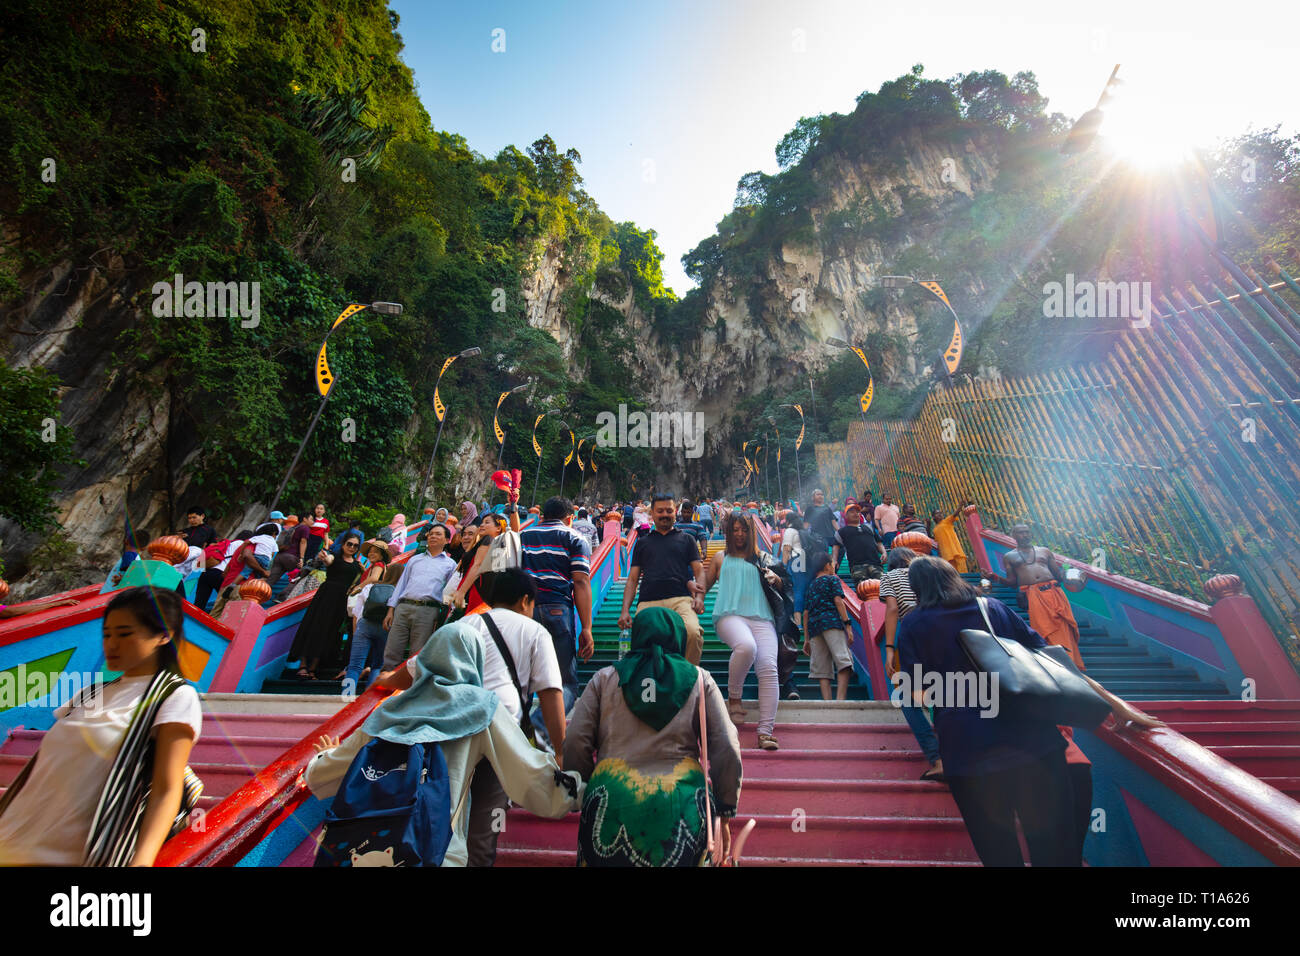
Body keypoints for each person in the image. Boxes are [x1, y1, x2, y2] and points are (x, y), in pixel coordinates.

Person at [901, 556, 1163, 866]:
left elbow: (917, 693)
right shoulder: (992, 608)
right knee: (1053, 849)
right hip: (1031, 744)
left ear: (916, 588)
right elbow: (1051, 660)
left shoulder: (913, 625)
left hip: (967, 752)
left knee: (998, 851)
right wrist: (1115, 703)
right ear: (952, 577)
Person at [308, 622, 584, 867]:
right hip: (438, 851)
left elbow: (324, 773)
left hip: (370, 845)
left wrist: (324, 756)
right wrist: (581, 791)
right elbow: (530, 775)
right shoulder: (480, 708)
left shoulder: (391, 708)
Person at [0, 587, 201, 866]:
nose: (112, 644)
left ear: (163, 635)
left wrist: (141, 862)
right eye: (107, 634)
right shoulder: (89, 694)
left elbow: (167, 789)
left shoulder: (174, 696)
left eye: (125, 634)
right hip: (12, 840)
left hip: (76, 855)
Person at [564, 606, 742, 866]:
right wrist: (725, 811)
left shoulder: (603, 679)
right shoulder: (701, 680)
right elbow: (727, 746)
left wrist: (584, 789)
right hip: (682, 805)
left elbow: (575, 741)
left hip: (610, 802)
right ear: (679, 637)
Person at [460, 568, 567, 865]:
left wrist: (389, 678)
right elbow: (550, 693)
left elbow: (419, 668)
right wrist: (560, 750)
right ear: (525, 600)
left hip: (455, 728)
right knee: (488, 815)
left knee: (447, 810)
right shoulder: (533, 631)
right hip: (499, 732)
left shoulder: (465, 624)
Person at [703, 510, 783, 750]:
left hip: (762, 618)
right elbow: (702, 588)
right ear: (728, 533)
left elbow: (783, 585)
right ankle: (734, 697)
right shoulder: (720, 558)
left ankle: (766, 732)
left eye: (744, 529)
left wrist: (775, 578)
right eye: (734, 529)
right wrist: (692, 598)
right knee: (746, 647)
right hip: (730, 615)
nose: (739, 534)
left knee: (768, 666)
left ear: (752, 532)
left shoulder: (764, 558)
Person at [520, 497, 594, 710]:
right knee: (565, 682)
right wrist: (586, 627)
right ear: (569, 518)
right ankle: (543, 730)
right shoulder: (575, 537)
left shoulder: (522, 536)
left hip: (525, 609)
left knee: (523, 679)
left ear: (542, 515)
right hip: (557, 608)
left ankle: (521, 735)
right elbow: (580, 581)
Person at [618, 493, 706, 665]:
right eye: (660, 511)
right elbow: (633, 579)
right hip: (648, 601)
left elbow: (699, 571)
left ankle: (688, 677)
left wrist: (699, 598)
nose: (665, 514)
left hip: (681, 599)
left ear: (675, 512)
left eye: (669, 510)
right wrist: (625, 610)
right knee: (642, 638)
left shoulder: (687, 539)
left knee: (693, 633)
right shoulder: (643, 542)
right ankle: (646, 681)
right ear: (652, 514)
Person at [879, 546, 943, 781]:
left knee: (908, 697)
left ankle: (937, 759)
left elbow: (893, 609)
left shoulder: (889, 576)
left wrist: (889, 649)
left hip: (916, 633)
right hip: (945, 628)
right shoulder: (933, 570)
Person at [996, 524, 1086, 669]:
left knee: (1064, 628)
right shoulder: (1009, 557)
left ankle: (1071, 664)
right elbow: (1013, 582)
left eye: (1027, 532)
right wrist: (995, 578)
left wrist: (1069, 574)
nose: (1025, 535)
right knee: (1043, 631)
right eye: (1021, 533)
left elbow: (1058, 575)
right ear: (1014, 535)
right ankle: (1055, 666)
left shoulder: (1044, 551)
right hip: (1034, 597)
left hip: (1054, 593)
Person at [288, 530, 364, 680]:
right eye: (349, 544)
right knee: (314, 627)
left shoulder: (357, 565)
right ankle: (303, 665)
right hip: (326, 597)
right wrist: (326, 559)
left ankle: (314, 668)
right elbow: (328, 561)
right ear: (343, 544)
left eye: (356, 546)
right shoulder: (334, 558)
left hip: (341, 601)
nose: (352, 548)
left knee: (330, 632)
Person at [380, 524, 457, 671]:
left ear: (447, 540)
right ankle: (385, 689)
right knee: (391, 651)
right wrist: (391, 610)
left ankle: (410, 689)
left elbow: (449, 591)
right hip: (403, 607)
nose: (433, 536)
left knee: (417, 654)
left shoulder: (450, 564)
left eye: (438, 534)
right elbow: (401, 585)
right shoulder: (415, 560)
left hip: (428, 610)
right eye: (431, 533)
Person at [801, 551, 855, 700]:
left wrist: (806, 639)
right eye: (832, 563)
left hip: (814, 627)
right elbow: (838, 601)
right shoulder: (832, 580)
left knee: (822, 669)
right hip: (831, 622)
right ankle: (840, 701)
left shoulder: (811, 585)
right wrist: (848, 625)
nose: (834, 566)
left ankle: (828, 703)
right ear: (826, 566)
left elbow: (805, 613)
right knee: (844, 662)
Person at [342, 563, 402, 694]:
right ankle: (368, 700)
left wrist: (355, 632)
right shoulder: (400, 591)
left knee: (354, 666)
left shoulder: (370, 587)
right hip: (386, 628)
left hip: (364, 626)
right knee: (378, 666)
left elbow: (356, 612)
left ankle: (346, 695)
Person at [835, 503, 887, 582]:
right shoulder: (842, 531)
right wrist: (834, 560)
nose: (856, 513)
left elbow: (879, 542)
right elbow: (836, 545)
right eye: (852, 512)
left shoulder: (868, 527)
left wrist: (884, 552)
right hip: (857, 566)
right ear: (846, 516)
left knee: (882, 589)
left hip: (875, 564)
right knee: (862, 590)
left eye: (857, 512)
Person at [930, 500, 970, 572]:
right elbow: (933, 539)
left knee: (962, 572)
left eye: (940, 513)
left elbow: (955, 514)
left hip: (956, 551)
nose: (940, 515)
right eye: (937, 513)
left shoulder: (947, 521)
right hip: (946, 554)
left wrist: (960, 507)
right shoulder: (934, 529)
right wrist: (928, 526)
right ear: (933, 517)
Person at [803, 489, 838, 558]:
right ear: (813, 497)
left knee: (841, 548)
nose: (820, 496)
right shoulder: (810, 509)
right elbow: (806, 525)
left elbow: (834, 522)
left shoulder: (827, 508)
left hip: (830, 535)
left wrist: (840, 532)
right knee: (823, 557)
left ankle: (833, 561)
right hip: (818, 537)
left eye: (822, 494)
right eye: (818, 494)